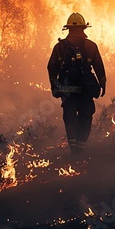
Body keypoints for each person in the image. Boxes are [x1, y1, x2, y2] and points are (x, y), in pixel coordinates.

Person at [47, 13, 107, 155]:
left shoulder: (59, 47)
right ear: (83, 28)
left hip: (67, 90)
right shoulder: (91, 46)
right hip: (86, 89)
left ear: (68, 28)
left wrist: (54, 85)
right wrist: (103, 83)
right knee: (86, 115)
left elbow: (51, 67)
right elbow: (99, 66)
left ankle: (73, 147)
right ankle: (81, 147)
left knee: (70, 116)